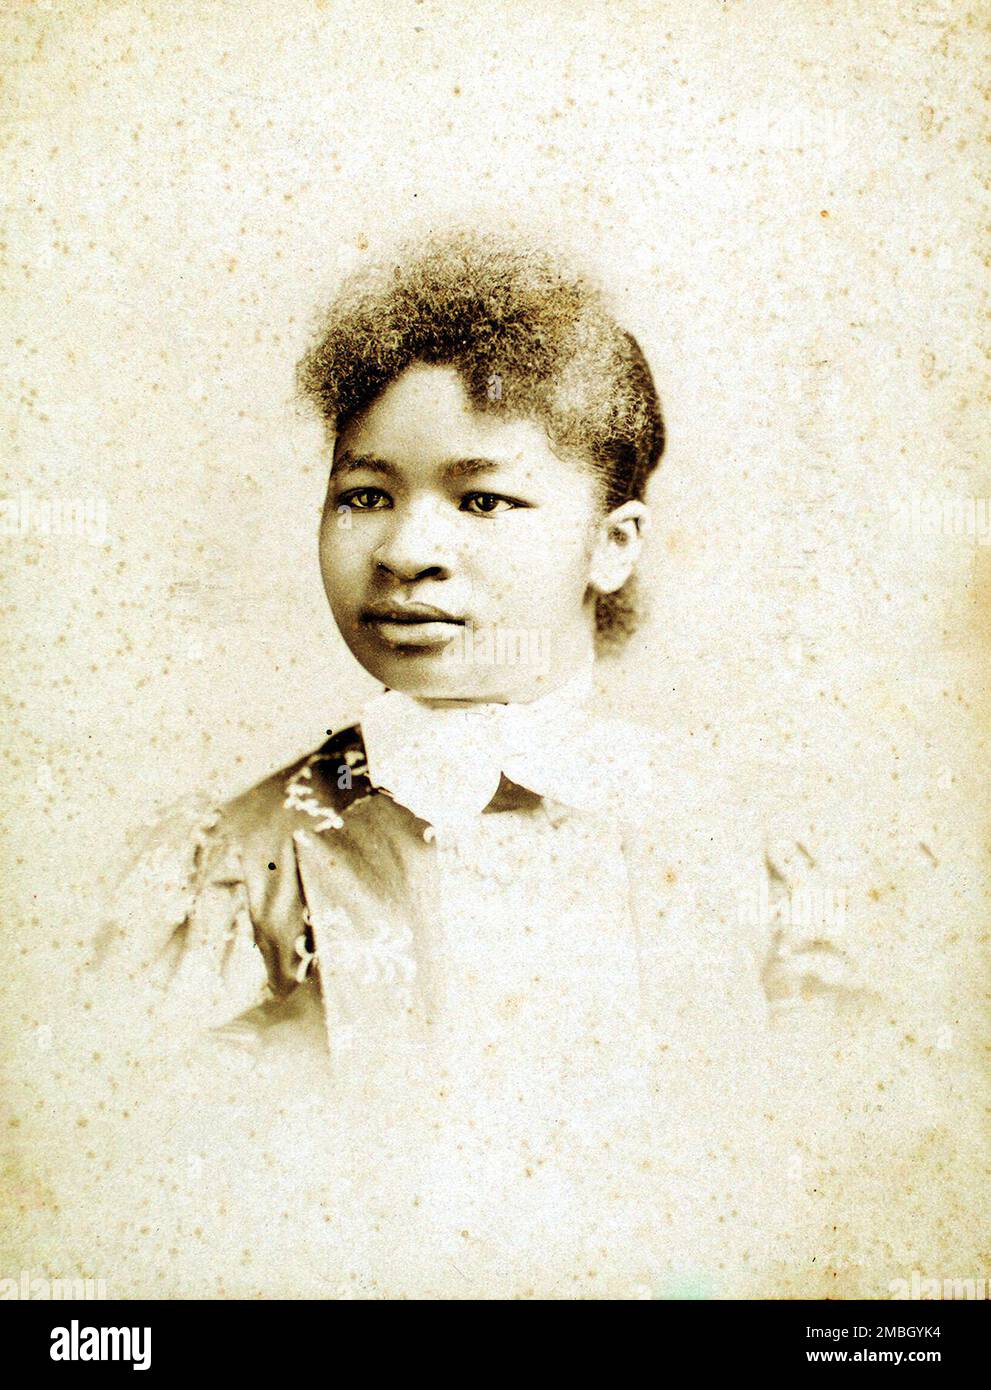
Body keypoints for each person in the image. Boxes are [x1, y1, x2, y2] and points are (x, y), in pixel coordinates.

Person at [87, 233, 860, 1297]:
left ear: (613, 543)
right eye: (365, 494)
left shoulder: (738, 846)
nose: (407, 550)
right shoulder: (244, 862)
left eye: (481, 500)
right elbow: (147, 1203)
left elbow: (841, 1181)